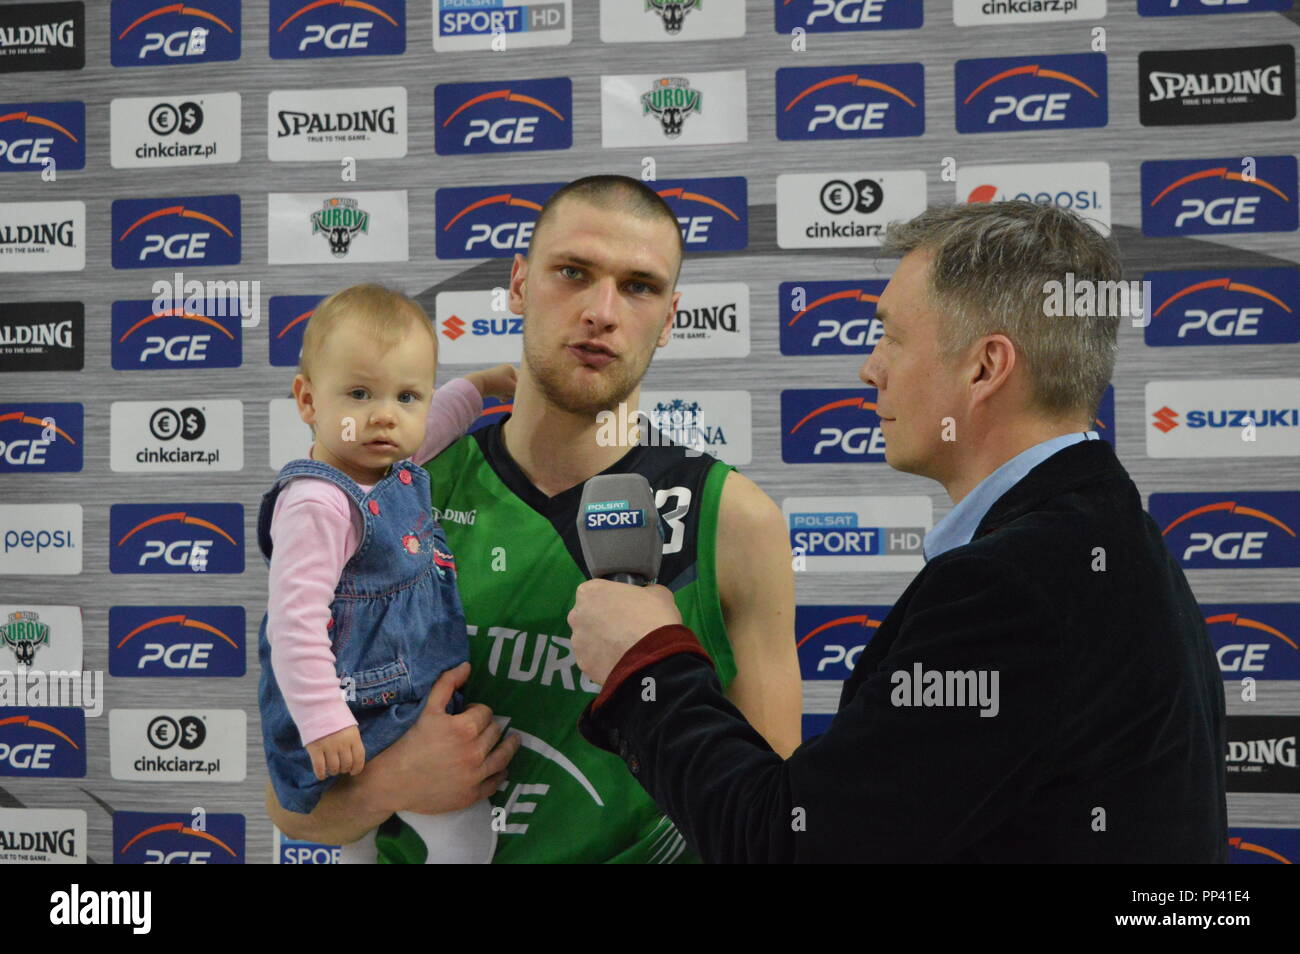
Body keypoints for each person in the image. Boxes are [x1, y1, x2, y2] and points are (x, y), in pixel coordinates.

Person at [568, 200, 1229, 863]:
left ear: (984, 368)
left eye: (890, 336)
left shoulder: (1015, 587)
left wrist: (646, 662)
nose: (870, 368)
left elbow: (787, 846)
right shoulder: (1111, 541)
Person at [266, 175, 803, 863]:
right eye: (573, 273)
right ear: (519, 285)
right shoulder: (393, 489)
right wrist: (394, 783)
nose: (601, 311)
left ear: (670, 318)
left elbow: (771, 826)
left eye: (638, 286)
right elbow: (290, 804)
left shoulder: (734, 521)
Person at [257, 283, 515, 863]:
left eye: (406, 397)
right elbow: (294, 624)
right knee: (463, 834)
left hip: (397, 689)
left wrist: (482, 386)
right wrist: (323, 719)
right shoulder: (318, 503)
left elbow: (440, 417)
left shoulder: (391, 468)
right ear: (307, 401)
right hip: (349, 704)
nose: (384, 416)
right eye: (358, 393)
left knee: (362, 839)